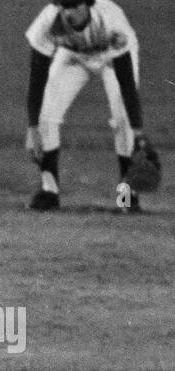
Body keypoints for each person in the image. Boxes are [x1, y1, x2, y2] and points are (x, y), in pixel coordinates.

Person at [24, 0, 150, 212]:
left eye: (72, 6)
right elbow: (37, 78)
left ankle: (127, 195)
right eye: (63, 6)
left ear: (86, 5)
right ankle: (49, 191)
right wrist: (32, 127)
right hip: (72, 56)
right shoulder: (47, 21)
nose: (66, 12)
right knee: (45, 113)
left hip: (112, 59)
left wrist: (137, 132)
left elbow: (127, 83)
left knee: (123, 118)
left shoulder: (111, 20)